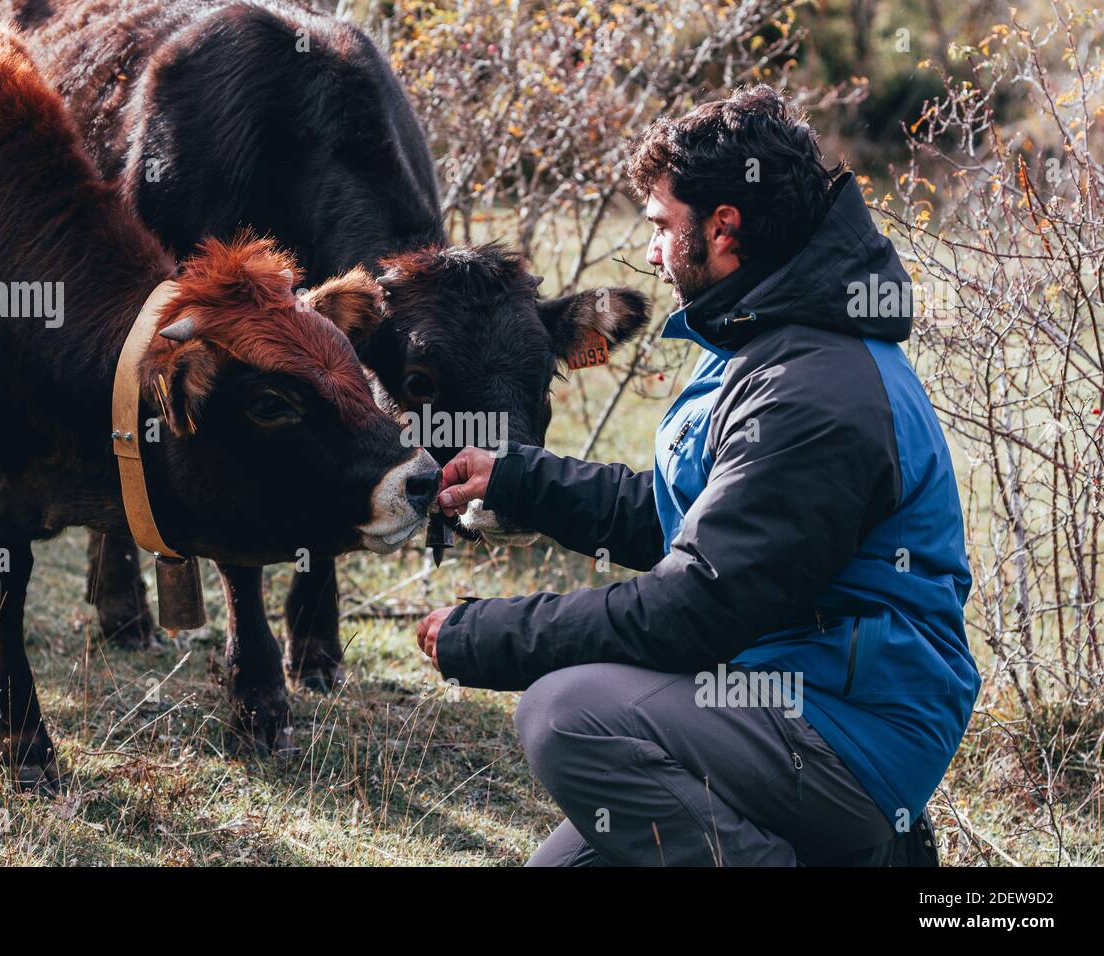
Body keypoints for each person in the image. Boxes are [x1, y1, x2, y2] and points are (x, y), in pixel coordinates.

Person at [415, 85, 980, 866]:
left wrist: (493, 635)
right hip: (767, 697)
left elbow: (697, 606)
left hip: (850, 732)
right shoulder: (770, 342)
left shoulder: (814, 388)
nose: (650, 252)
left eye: (659, 225)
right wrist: (518, 480)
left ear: (723, 228)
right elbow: (685, 518)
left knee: (569, 716)